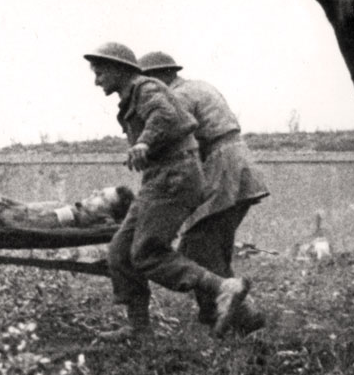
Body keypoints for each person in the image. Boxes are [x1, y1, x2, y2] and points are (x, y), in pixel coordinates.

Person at [83, 42, 261, 339]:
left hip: (173, 177)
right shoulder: (139, 95)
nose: (96, 80)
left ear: (119, 69)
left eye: (100, 71)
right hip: (159, 178)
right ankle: (139, 328)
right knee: (120, 251)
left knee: (149, 253)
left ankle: (226, 294)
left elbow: (165, 116)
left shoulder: (146, 88)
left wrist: (144, 142)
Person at [139, 50, 270, 329]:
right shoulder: (198, 87)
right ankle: (236, 315)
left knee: (197, 248)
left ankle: (237, 315)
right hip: (235, 161)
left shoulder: (176, 97)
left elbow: (177, 144)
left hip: (220, 164)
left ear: (158, 77)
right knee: (210, 246)